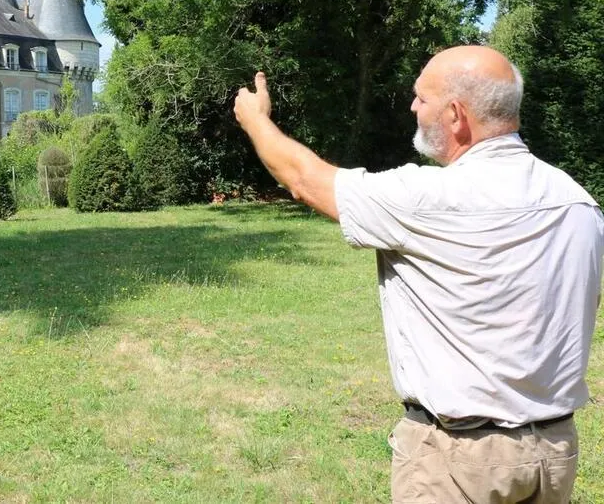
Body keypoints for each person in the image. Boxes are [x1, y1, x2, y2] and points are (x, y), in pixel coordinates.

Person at [233, 45, 604, 504]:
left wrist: (255, 120)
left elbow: (303, 179)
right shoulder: (577, 202)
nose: (412, 107)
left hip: (456, 458)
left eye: (421, 98)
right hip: (553, 453)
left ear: (455, 115)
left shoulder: (429, 199)